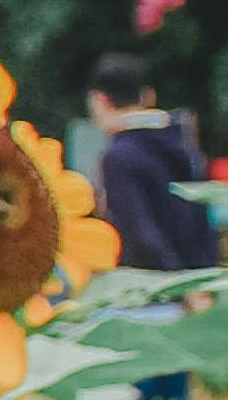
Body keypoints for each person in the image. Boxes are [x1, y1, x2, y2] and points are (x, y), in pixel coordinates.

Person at [85, 54, 213, 275]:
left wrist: (179, 286)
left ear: (100, 100)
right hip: (202, 279)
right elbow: (202, 217)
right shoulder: (181, 141)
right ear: (147, 97)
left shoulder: (119, 156)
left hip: (156, 289)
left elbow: (140, 233)